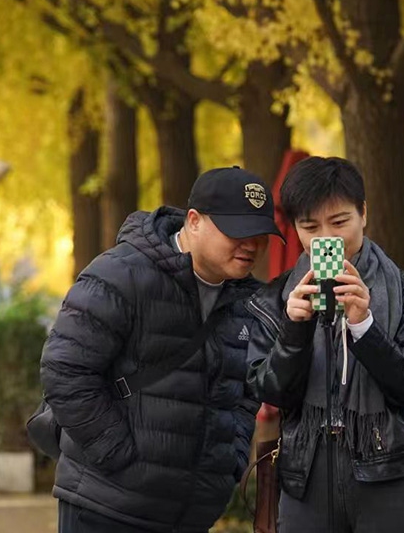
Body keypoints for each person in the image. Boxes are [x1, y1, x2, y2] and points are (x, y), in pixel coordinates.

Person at [41, 166, 282, 533]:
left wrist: (229, 460)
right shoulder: (120, 274)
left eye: (260, 234)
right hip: (105, 507)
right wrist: (118, 456)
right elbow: (63, 370)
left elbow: (246, 389)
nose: (251, 245)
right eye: (237, 231)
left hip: (190, 515)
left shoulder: (251, 301)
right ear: (194, 221)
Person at [247, 156, 404, 533]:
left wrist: (364, 326)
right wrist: (294, 328)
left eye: (339, 222)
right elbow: (270, 392)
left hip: (391, 473)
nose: (327, 238)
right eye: (310, 226)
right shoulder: (276, 300)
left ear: (363, 214)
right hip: (306, 476)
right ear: (296, 230)